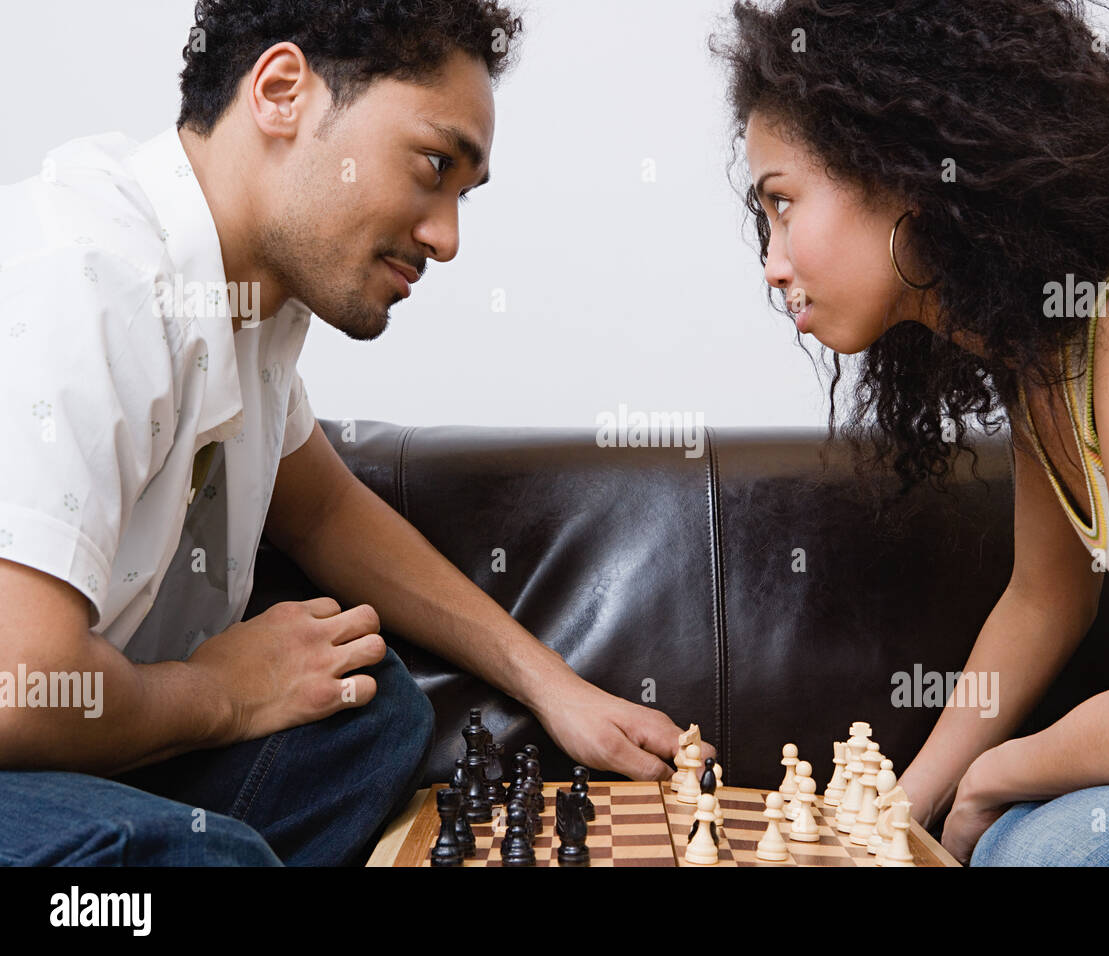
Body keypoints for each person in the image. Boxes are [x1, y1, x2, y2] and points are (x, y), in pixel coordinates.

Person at [0, 0, 709, 867]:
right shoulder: (85, 280)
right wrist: (222, 694)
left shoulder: (243, 298)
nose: (447, 239)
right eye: (433, 164)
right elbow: (24, 689)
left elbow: (326, 512)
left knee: (374, 716)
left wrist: (556, 690)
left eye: (462, 193)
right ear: (283, 92)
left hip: (56, 757)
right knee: (200, 859)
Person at [711, 0, 1109, 865]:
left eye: (784, 204)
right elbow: (1044, 601)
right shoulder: (1046, 360)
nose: (773, 264)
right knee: (1031, 837)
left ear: (904, 172)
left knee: (1043, 852)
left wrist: (988, 778)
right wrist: (895, 815)